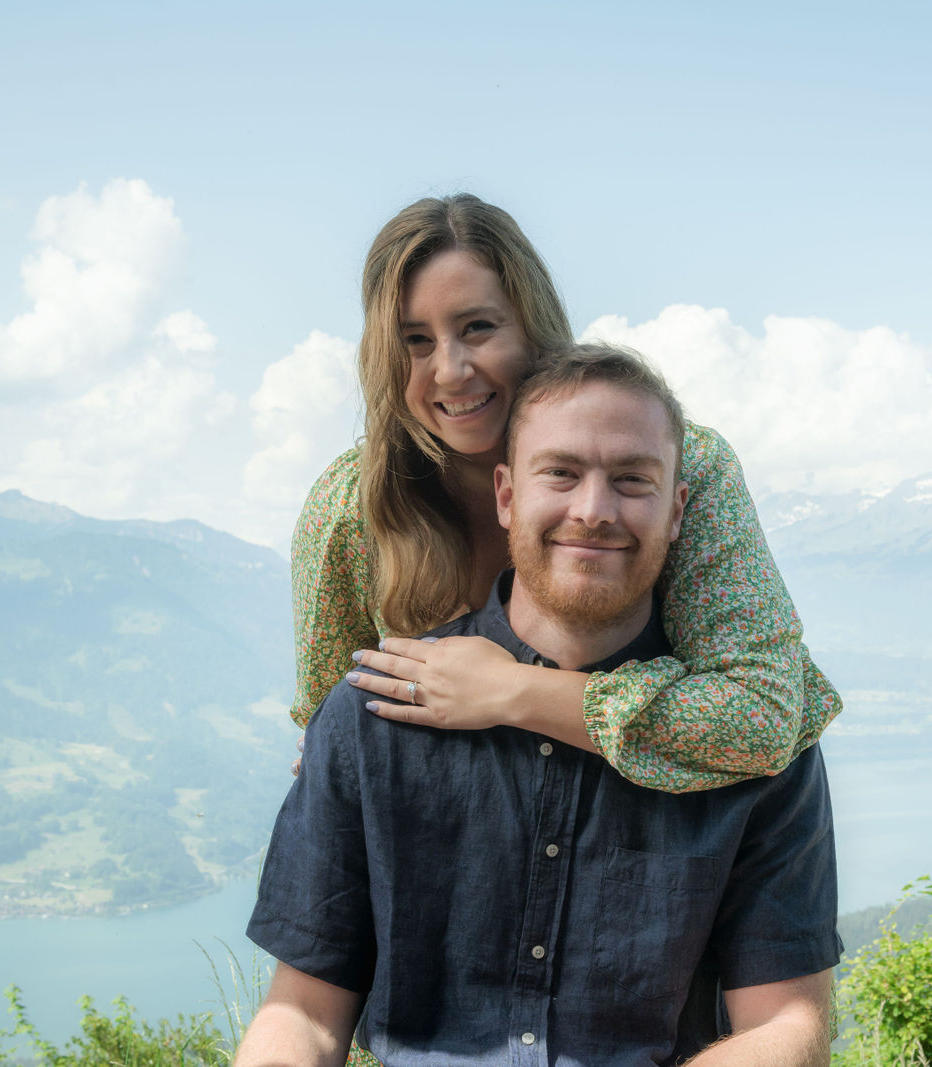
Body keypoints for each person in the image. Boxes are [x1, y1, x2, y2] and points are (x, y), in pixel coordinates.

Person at [239, 345, 841, 1066]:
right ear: (505, 495)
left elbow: (790, 1026)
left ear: (679, 510)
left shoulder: (751, 743)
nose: (593, 510)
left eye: (632, 479)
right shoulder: (371, 716)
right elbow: (301, 1015)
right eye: (560, 472)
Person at [291, 193, 839, 791]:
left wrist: (512, 692)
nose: (450, 370)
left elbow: (763, 714)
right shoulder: (352, 508)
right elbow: (331, 739)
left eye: (477, 327)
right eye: (415, 341)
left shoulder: (682, 465)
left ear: (534, 325)